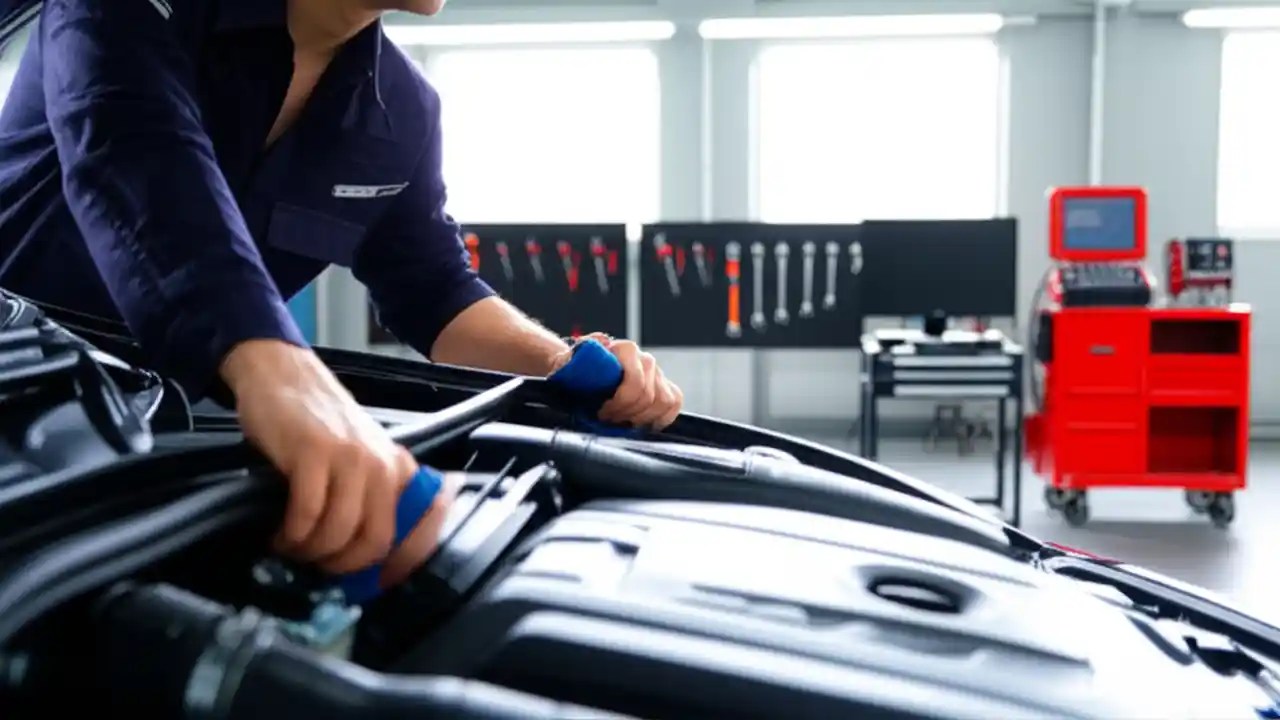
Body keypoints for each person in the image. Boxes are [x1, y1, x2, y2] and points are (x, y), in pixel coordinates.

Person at [0, 0, 683, 590]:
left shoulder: (404, 115)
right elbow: (137, 156)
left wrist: (561, 366)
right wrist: (292, 384)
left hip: (143, 446)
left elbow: (436, 289)